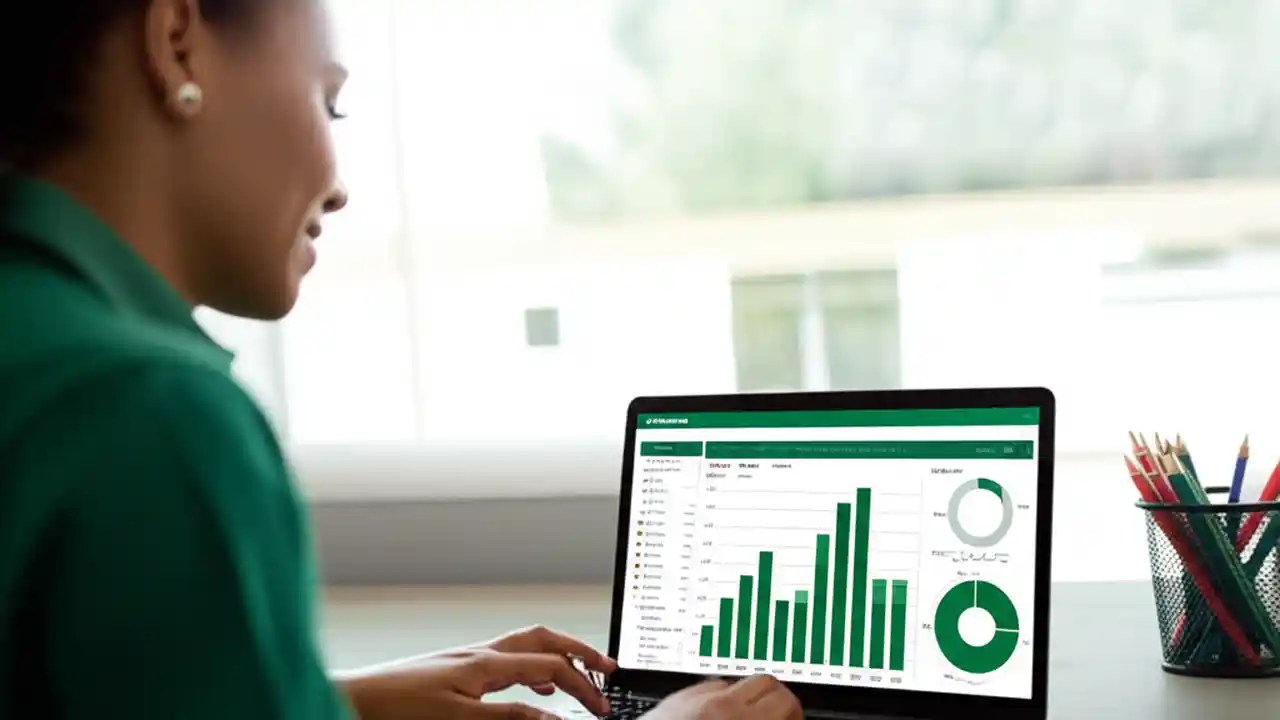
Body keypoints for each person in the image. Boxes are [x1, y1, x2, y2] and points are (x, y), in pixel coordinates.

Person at [0, 1, 805, 718]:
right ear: (177, 42)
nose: (340, 188)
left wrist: (336, 698)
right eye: (330, 101)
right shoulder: (148, 409)